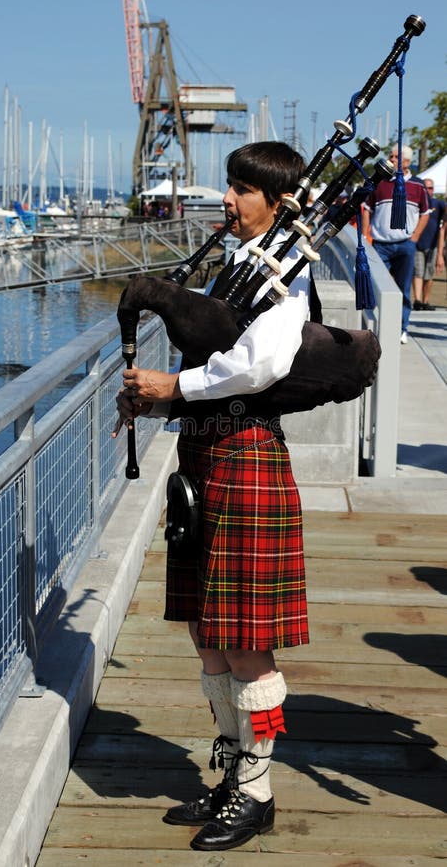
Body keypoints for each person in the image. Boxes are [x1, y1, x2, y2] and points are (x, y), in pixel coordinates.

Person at [113, 141, 312, 852]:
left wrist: (177, 388)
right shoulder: (237, 263)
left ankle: (257, 793)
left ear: (275, 200)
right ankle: (232, 776)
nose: (225, 200)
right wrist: (155, 399)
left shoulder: (289, 273)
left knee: (247, 643)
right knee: (208, 632)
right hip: (205, 452)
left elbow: (259, 365)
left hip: (248, 455)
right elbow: (210, 348)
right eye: (227, 187)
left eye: (239, 190)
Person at [362, 143, 430, 344]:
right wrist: (366, 236)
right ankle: (376, 325)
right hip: (380, 244)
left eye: (395, 157)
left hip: (405, 244)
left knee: (403, 288)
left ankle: (402, 328)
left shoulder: (418, 186)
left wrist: (415, 236)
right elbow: (367, 208)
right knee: (375, 286)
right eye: (391, 156)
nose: (391, 160)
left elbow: (425, 213)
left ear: (407, 162)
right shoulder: (380, 182)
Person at [412, 179, 445, 310]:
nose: (428, 190)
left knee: (429, 275)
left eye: (431, 188)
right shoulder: (417, 203)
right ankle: (418, 301)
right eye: (426, 188)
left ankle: (425, 301)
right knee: (418, 273)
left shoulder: (438, 203)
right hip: (418, 243)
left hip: (433, 245)